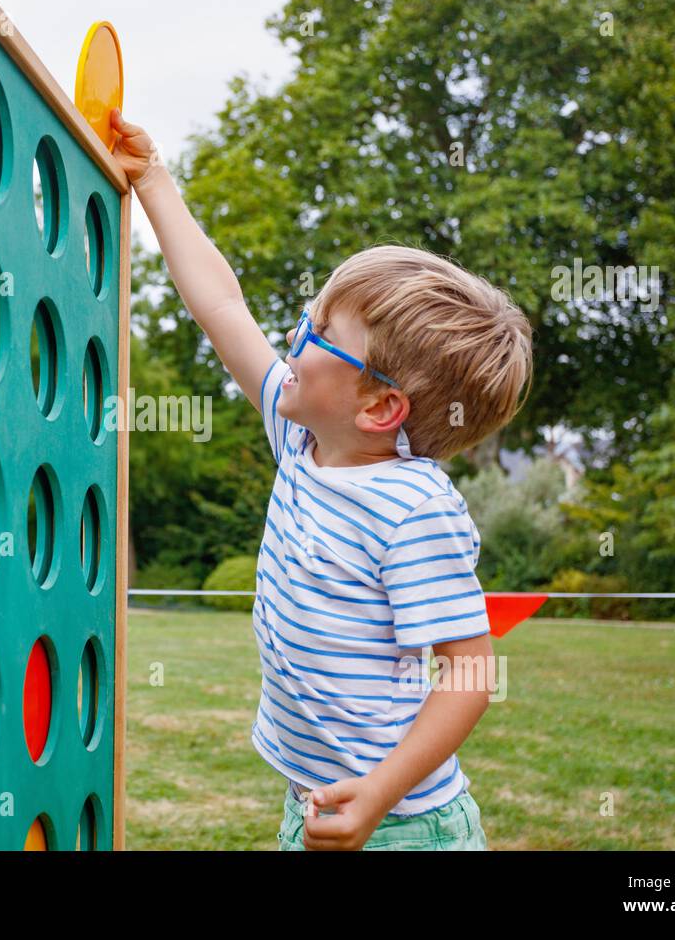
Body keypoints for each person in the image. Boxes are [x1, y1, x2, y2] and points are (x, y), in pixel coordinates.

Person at [110, 108, 533, 850]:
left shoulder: (411, 509)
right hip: (316, 799)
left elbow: (469, 671)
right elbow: (221, 306)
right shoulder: (301, 433)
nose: (294, 342)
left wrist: (379, 793)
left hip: (402, 825)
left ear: (378, 406)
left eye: (318, 334)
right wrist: (152, 178)